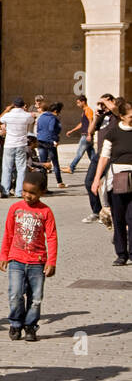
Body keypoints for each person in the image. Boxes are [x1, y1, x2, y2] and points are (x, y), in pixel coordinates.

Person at [0, 171, 57, 342]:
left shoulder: (46, 212)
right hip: (16, 260)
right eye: (24, 191)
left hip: (37, 262)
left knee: (36, 298)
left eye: (32, 193)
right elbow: (8, 233)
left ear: (42, 192)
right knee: (15, 294)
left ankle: (30, 326)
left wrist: (51, 261)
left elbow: (52, 237)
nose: (27, 196)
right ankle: (16, 323)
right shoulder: (15, 208)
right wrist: (4, 255)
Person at [90, 97, 132, 265]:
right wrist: (96, 179)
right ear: (122, 116)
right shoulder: (113, 133)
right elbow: (104, 157)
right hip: (118, 177)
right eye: (130, 116)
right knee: (119, 217)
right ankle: (121, 254)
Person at [83, 94, 117, 223]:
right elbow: (90, 131)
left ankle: (110, 211)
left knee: (109, 185)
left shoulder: (117, 116)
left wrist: (106, 102)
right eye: (101, 104)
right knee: (89, 182)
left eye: (105, 103)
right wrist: (96, 118)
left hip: (112, 155)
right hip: (100, 154)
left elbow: (115, 109)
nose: (103, 106)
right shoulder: (102, 117)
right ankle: (96, 211)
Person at [0, 97, 34, 198]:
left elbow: (0, 119)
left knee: (7, 168)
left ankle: (5, 190)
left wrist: (7, 109)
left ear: (14, 105)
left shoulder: (8, 115)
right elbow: (31, 120)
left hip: (9, 144)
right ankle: (19, 191)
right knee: (21, 168)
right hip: (21, 144)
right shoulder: (26, 115)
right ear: (23, 105)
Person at [34, 101, 65, 188]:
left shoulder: (41, 117)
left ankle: (43, 185)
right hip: (50, 142)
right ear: (55, 111)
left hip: (40, 140)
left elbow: (38, 128)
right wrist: (55, 140)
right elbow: (52, 129)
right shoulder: (53, 118)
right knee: (55, 162)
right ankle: (59, 182)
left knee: (43, 163)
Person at [67, 94, 95, 174]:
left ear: (83, 102)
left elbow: (91, 122)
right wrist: (72, 131)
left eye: (78, 102)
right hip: (86, 134)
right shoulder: (84, 111)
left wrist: (89, 134)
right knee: (92, 154)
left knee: (79, 153)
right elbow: (82, 124)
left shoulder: (88, 110)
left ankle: (71, 167)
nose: (77, 104)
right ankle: (96, 166)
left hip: (86, 135)